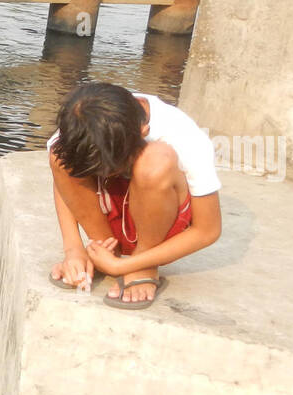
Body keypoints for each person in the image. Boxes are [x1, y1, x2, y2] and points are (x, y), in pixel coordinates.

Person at [47, 82, 223, 308]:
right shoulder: (82, 123)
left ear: (143, 132)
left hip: (160, 227)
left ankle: (144, 262)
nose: (103, 175)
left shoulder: (183, 135)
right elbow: (64, 179)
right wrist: (74, 249)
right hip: (110, 220)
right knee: (58, 157)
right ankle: (103, 249)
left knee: (156, 161)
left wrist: (123, 267)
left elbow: (208, 230)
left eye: (111, 169)